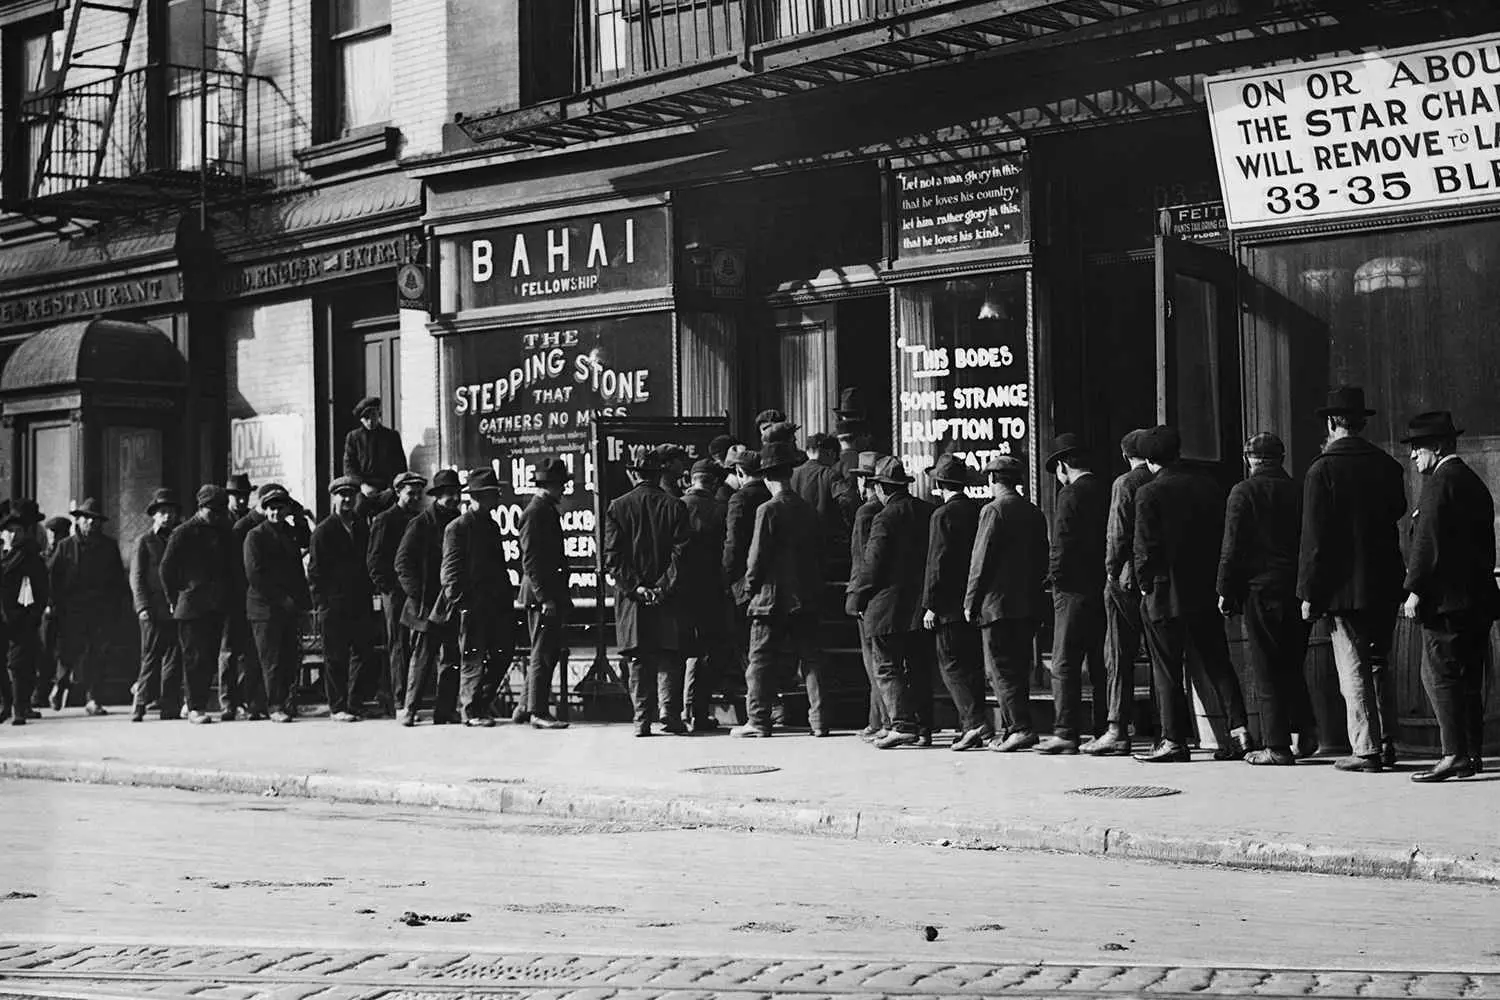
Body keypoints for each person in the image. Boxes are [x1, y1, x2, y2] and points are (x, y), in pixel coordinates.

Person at [1298, 386, 1407, 773]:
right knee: (1379, 663)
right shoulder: (1388, 465)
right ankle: (1389, 741)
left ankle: (1366, 749)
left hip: (1343, 589)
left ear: (1331, 423)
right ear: (1361, 423)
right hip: (1386, 583)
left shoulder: (1321, 470)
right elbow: (1397, 511)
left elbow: (1315, 541)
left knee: (1352, 666)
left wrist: (1309, 593)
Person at [1132, 426, 1252, 764]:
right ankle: (1240, 732)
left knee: (1167, 669)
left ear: (1151, 460)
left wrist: (1144, 584)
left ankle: (1173, 739)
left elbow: (1144, 549)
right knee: (1218, 664)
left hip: (1164, 593)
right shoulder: (1208, 487)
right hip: (1203, 590)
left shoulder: (1148, 493)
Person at [1400, 411, 1499, 782]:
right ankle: (1470, 753)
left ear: (1438, 446)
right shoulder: (1472, 482)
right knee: (1470, 678)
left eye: (1417, 448)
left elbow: (1427, 544)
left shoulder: (1440, 483)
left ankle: (1452, 753)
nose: (1412, 455)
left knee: (1440, 676)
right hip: (1476, 600)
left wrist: (1413, 590)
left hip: (1445, 603)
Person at [1217, 433, 1315, 766]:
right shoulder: (1299, 490)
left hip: (1259, 589)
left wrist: (1225, 590)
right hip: (1295, 588)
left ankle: (1276, 745)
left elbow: (1231, 547)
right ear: (1281, 458)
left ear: (1249, 459)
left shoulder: (1243, 492)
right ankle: (1306, 731)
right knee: (1292, 663)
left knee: (1266, 666)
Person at [731, 433, 824, 738]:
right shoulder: (808, 510)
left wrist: (747, 588)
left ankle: (757, 720)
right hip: (804, 596)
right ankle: (819, 721)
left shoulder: (767, 510)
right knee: (810, 659)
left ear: (765, 477)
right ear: (790, 473)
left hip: (770, 599)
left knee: (760, 660)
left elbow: (757, 558)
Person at [604, 446, 690, 737]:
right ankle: (669, 715)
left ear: (633, 474)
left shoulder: (617, 507)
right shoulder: (675, 506)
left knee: (639, 658)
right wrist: (663, 587)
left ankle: (642, 720)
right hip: (670, 596)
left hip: (633, 600)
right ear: (658, 474)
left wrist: (637, 586)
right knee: (668, 654)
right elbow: (681, 556)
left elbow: (613, 558)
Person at [965, 456, 1050, 751]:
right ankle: (1020, 724)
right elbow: (1043, 559)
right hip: (1027, 604)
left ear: (992, 480)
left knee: (999, 669)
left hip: (997, 606)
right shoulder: (1034, 512)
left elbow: (981, 561)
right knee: (1019, 667)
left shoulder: (993, 510)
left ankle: (1019, 727)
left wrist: (970, 601)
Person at [852, 456, 934, 750]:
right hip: (919, 605)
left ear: (882, 488)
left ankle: (901, 725)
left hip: (887, 606)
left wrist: (856, 598)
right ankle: (924, 728)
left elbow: (872, 564)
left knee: (886, 666)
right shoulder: (927, 511)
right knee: (919, 667)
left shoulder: (884, 517)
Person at [1086, 428, 1154, 756]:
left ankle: (1117, 729)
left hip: (1126, 579)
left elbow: (1117, 535)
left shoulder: (1125, 484)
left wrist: (1111, 572)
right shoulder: (1162, 479)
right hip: (1157, 581)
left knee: (1117, 653)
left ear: (1126, 456)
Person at [1040, 434, 1108, 754]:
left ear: (1063, 466)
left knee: (1065, 662)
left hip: (1072, 588)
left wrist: (1054, 578)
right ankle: (1102, 728)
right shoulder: (1106, 489)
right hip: (1101, 586)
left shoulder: (1070, 495)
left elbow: (1062, 543)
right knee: (1099, 662)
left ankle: (1066, 731)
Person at [440, 469, 514, 727]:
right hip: (471, 606)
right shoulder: (457, 528)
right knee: (473, 656)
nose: (498, 498)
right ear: (479, 496)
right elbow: (450, 572)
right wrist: (461, 603)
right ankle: (471, 710)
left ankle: (481, 703)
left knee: (503, 652)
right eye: (493, 494)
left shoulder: (491, 526)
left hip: (495, 605)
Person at [923, 454, 986, 750]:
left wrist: (931, 604)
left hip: (948, 604)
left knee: (951, 665)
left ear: (939, 483)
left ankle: (973, 724)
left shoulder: (942, 515)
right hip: (973, 600)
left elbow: (938, 562)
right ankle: (971, 723)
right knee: (971, 664)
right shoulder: (977, 510)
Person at [160, 486, 238, 725]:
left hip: (216, 605)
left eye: (221, 511)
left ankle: (196, 703)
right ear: (201, 509)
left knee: (208, 657)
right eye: (212, 511)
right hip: (191, 606)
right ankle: (195, 707)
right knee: (194, 658)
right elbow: (166, 569)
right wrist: (174, 598)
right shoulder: (183, 533)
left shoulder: (224, 532)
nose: (217, 515)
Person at [47, 497, 128, 715]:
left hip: (100, 610)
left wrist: (116, 607)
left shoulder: (108, 547)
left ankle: (93, 699)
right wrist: (53, 604)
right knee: (68, 651)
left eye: (94, 520)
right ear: (79, 521)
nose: (90, 524)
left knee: (98, 654)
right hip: (71, 609)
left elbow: (118, 580)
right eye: (86, 519)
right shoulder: (66, 547)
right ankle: (60, 685)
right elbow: (52, 577)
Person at [396, 469, 464, 726]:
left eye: (456, 494)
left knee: (451, 658)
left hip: (450, 601)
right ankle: (410, 709)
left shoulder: (458, 521)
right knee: (422, 659)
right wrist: (418, 596)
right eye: (448, 494)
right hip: (426, 604)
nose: (454, 498)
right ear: (437, 496)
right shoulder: (421, 524)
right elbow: (402, 564)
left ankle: (444, 710)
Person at [308, 477, 377, 722]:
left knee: (362, 653)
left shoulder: (361, 527)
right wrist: (322, 605)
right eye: (342, 495)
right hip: (333, 605)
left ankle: (355, 703)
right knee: (335, 657)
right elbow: (315, 573)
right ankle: (337, 707)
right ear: (334, 498)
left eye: (351, 494)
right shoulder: (324, 531)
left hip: (359, 603)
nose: (347, 499)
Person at [243, 485, 312, 723]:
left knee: (287, 658)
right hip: (265, 608)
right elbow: (256, 575)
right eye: (271, 509)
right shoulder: (256, 535)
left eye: (280, 508)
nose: (276, 513)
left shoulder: (290, 532)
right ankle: (272, 706)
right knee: (270, 660)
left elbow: (306, 541)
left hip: (288, 607)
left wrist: (300, 517)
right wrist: (282, 599)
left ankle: (279, 702)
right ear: (265, 511)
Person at [517, 458, 572, 729]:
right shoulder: (537, 512)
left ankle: (524, 707)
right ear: (549, 485)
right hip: (544, 597)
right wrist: (544, 596)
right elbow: (531, 560)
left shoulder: (542, 509)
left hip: (547, 595)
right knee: (543, 652)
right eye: (561, 484)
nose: (564, 489)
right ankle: (538, 711)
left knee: (544, 650)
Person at [368, 471, 426, 717]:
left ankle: (415, 698)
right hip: (396, 594)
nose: (414, 498)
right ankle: (401, 700)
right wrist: (390, 589)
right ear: (398, 493)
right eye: (409, 493)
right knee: (399, 646)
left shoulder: (420, 519)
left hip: (416, 591)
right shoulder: (385, 520)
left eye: (418, 494)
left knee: (417, 644)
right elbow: (374, 562)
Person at [680, 458, 732, 732]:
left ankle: (678, 710)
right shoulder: (720, 509)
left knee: (682, 651)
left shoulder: (677, 505)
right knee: (707, 652)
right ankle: (697, 711)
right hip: (710, 590)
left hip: (680, 590)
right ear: (713, 483)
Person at [845, 452, 889, 741]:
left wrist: (856, 598)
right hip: (889, 595)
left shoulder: (866, 513)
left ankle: (882, 721)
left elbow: (863, 560)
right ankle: (878, 720)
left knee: (874, 662)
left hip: (870, 596)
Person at [130, 488, 183, 723]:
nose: (167, 516)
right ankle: (140, 704)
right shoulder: (144, 541)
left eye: (171, 512)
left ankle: (169, 706)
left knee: (174, 658)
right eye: (162, 512)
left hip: (175, 607)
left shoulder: (178, 539)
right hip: (152, 609)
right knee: (150, 657)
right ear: (154, 515)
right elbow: (137, 577)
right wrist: (142, 606)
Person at [723, 448, 771, 681]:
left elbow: (733, 543)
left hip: (743, 580)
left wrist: (726, 577)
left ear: (740, 472)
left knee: (747, 646)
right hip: (771, 579)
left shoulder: (739, 499)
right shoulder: (771, 496)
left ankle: (761, 704)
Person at [0, 508, 48, 726]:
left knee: (20, 664)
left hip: (21, 617)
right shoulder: (3, 556)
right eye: (8, 531)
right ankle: (6, 705)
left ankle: (20, 707)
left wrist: (34, 614)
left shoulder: (30, 556)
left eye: (17, 530)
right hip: (2, 618)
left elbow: (41, 589)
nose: (12, 534)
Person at [219, 474, 258, 722]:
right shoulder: (222, 521)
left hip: (250, 592)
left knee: (248, 651)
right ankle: (227, 702)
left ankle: (244, 700)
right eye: (237, 496)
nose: (242, 500)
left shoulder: (252, 522)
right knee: (228, 651)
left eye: (245, 496)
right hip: (227, 594)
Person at [791, 431, 853, 542]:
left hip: (796, 540)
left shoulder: (792, 475)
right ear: (831, 453)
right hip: (824, 541)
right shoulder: (830, 474)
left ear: (807, 451)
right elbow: (848, 502)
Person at [343, 397, 407, 501]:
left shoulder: (392, 436)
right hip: (363, 489)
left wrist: (391, 489)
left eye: (373, 415)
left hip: (387, 488)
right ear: (360, 419)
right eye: (365, 418)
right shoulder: (353, 437)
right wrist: (363, 485)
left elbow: (400, 466)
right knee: (358, 508)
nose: (370, 421)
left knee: (392, 511)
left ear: (379, 414)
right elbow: (349, 467)